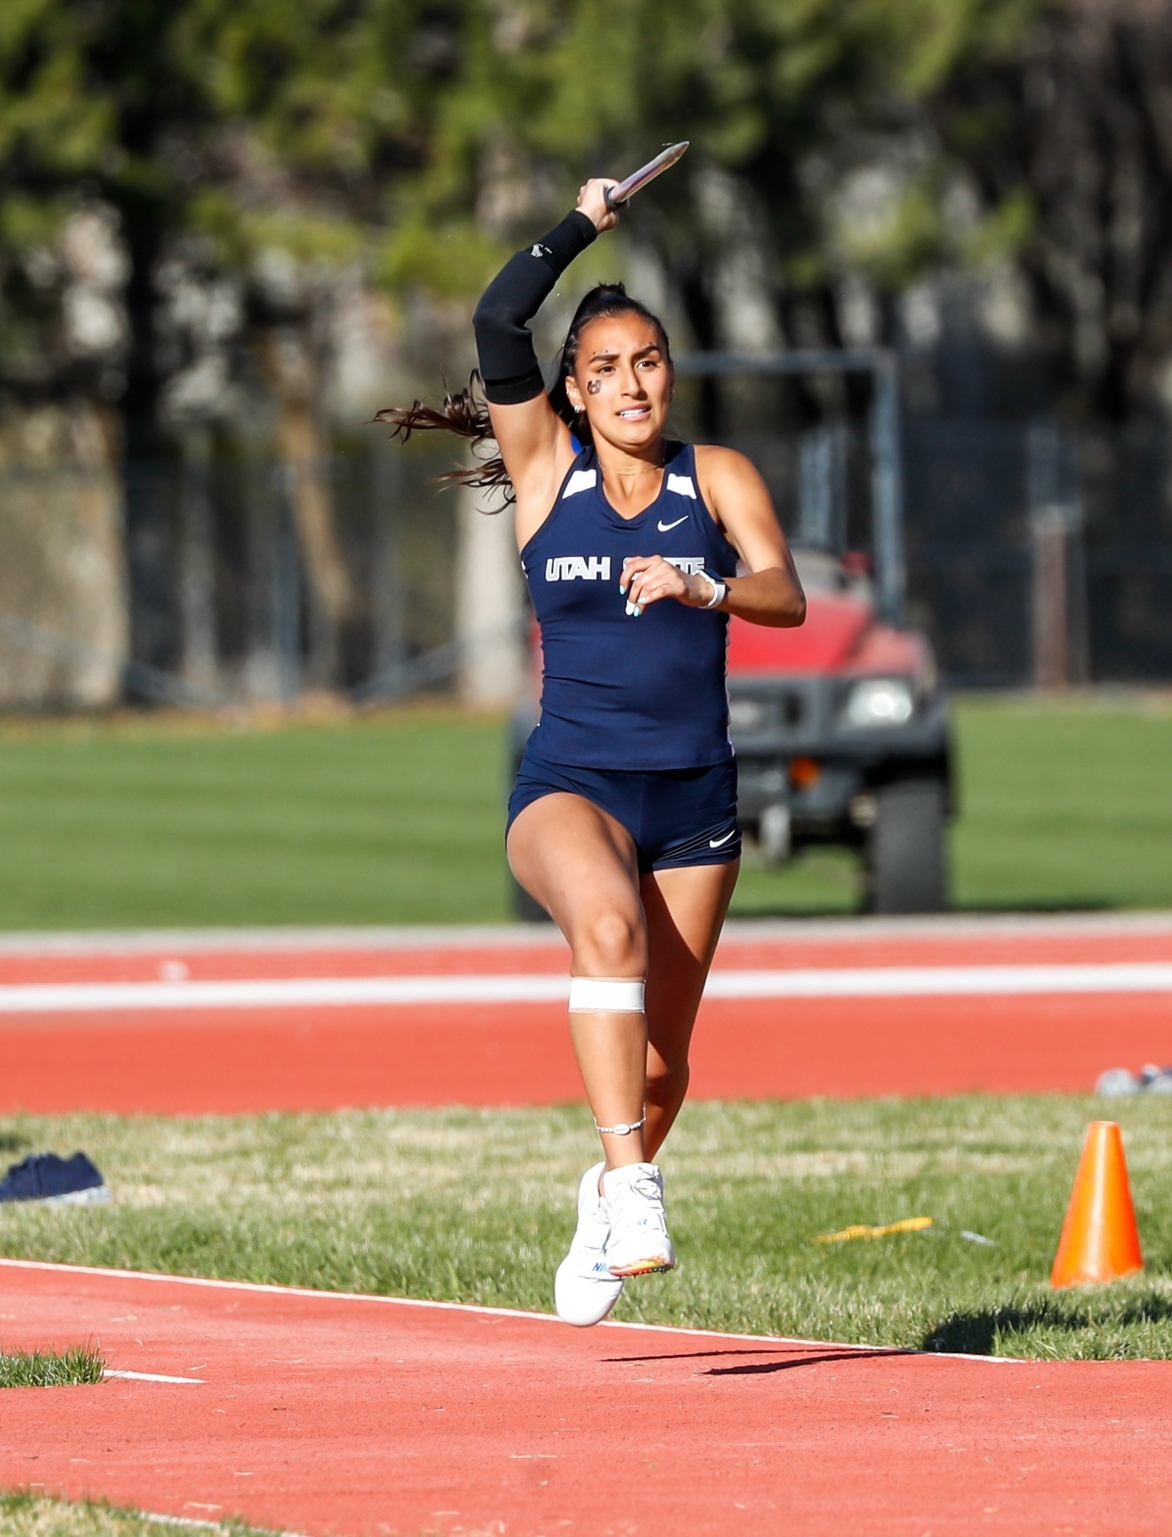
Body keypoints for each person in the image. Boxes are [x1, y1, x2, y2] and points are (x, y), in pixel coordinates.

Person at [378, 180, 806, 1325]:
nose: (631, 383)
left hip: (694, 797)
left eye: (649, 361)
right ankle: (630, 1182)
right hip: (569, 782)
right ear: (571, 387)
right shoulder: (543, 472)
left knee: (663, 1064)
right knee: (604, 927)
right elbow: (492, 323)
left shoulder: (713, 477)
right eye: (606, 367)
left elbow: (784, 593)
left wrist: (705, 581)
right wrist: (579, 226)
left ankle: (603, 1185)